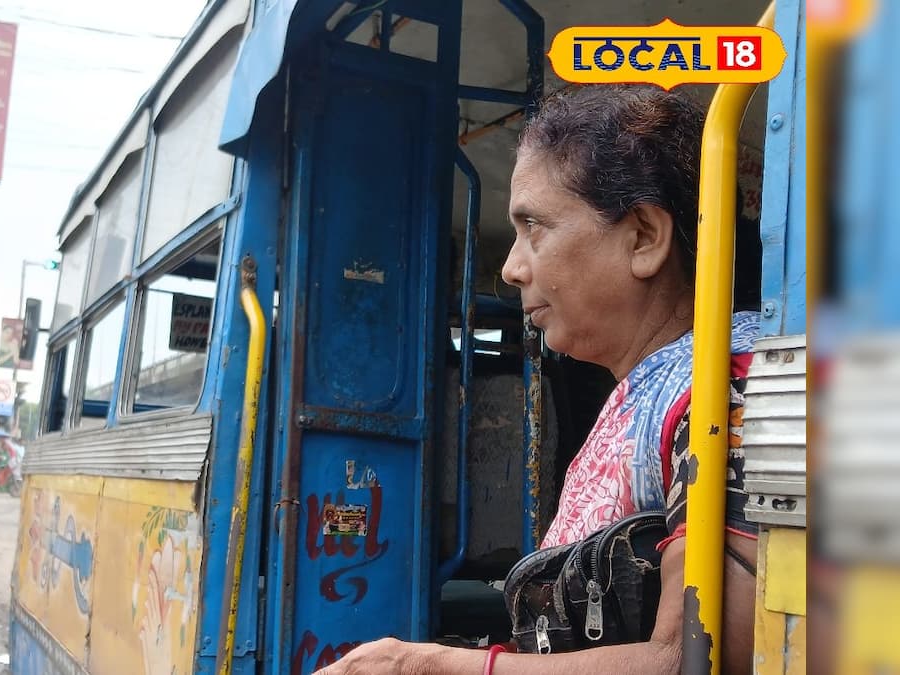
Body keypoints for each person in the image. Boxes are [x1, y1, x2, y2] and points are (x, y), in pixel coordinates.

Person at [316, 85, 761, 674]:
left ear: (644, 238)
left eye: (535, 227)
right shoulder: (651, 389)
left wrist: (429, 667)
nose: (511, 266)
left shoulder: (724, 390)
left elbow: (693, 660)